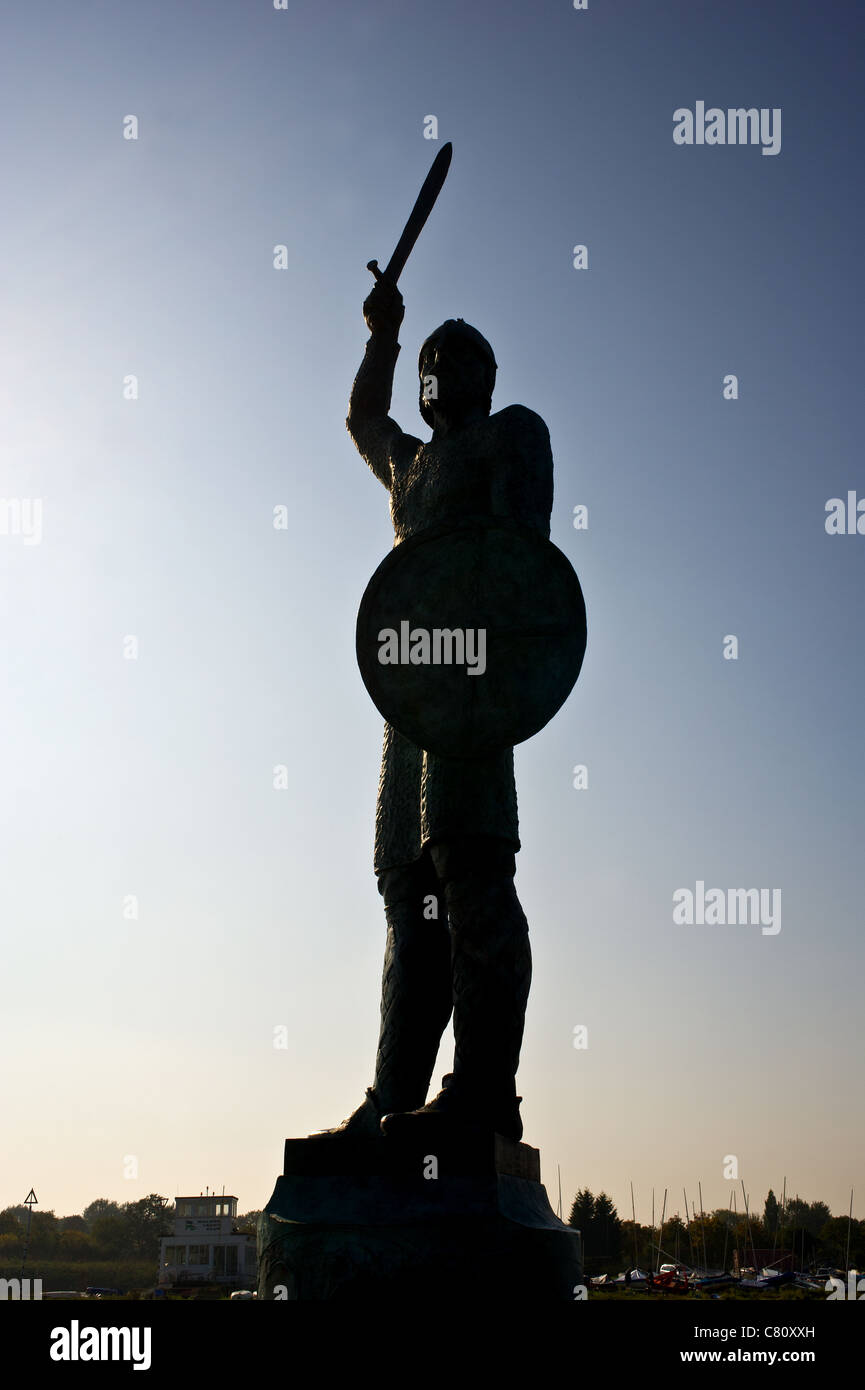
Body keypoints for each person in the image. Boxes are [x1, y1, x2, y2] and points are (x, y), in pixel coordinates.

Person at [336, 276, 553, 1142]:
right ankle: (392, 1099)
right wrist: (383, 335)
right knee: (406, 891)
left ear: (487, 376)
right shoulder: (408, 462)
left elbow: (525, 570)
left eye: (455, 359)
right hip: (409, 701)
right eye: (427, 363)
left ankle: (483, 1095)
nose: (438, 371)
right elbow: (361, 419)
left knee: (471, 875)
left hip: (470, 691)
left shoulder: (511, 435)